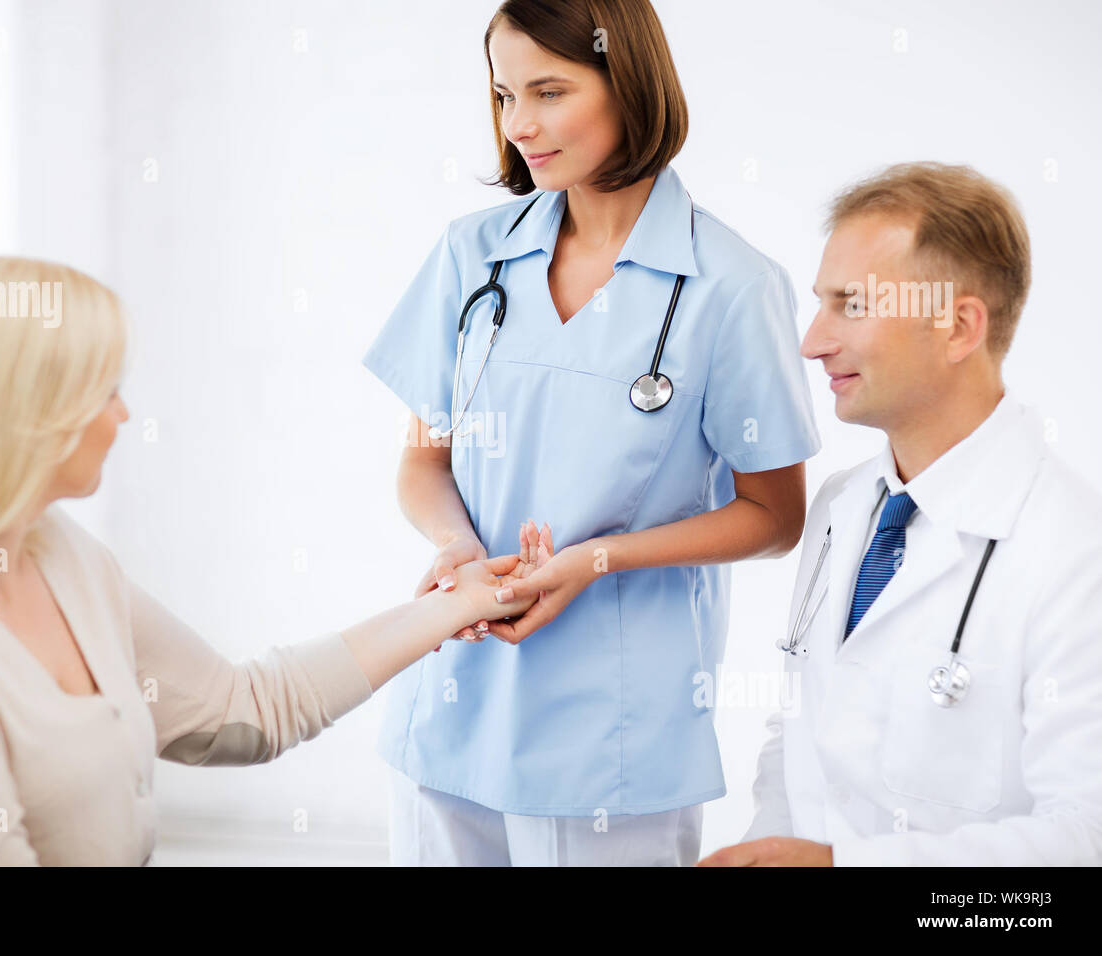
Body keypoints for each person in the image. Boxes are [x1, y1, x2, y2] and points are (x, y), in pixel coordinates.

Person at [0, 256, 544, 866]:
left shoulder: (51, 549)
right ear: (33, 415)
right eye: (107, 392)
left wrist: (452, 603)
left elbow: (245, 710)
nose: (125, 417)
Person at [362, 0, 820, 866]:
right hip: (454, 692)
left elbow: (774, 515)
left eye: (549, 90)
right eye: (503, 95)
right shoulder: (474, 254)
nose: (520, 124)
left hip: (611, 729)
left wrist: (594, 558)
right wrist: (459, 551)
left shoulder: (731, 286)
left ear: (629, 85)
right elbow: (423, 462)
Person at [699, 162, 1102, 867]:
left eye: (850, 305)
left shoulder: (1072, 550)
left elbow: (1085, 836)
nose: (811, 341)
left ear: (958, 326)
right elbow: (798, 737)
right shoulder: (842, 507)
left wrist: (839, 868)